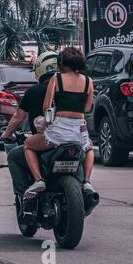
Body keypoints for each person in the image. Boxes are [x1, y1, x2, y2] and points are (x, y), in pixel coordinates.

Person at [23, 46, 95, 200]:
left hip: (59, 131)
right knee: (89, 149)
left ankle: (38, 180)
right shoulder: (88, 81)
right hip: (79, 130)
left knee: (28, 145)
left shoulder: (57, 79)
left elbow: (46, 106)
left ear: (61, 63)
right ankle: (87, 182)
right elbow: (88, 107)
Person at [0, 51, 58, 198]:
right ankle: (85, 185)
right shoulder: (70, 88)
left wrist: (7, 134)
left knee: (13, 156)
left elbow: (18, 117)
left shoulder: (34, 91)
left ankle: (25, 196)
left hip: (46, 140)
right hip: (73, 137)